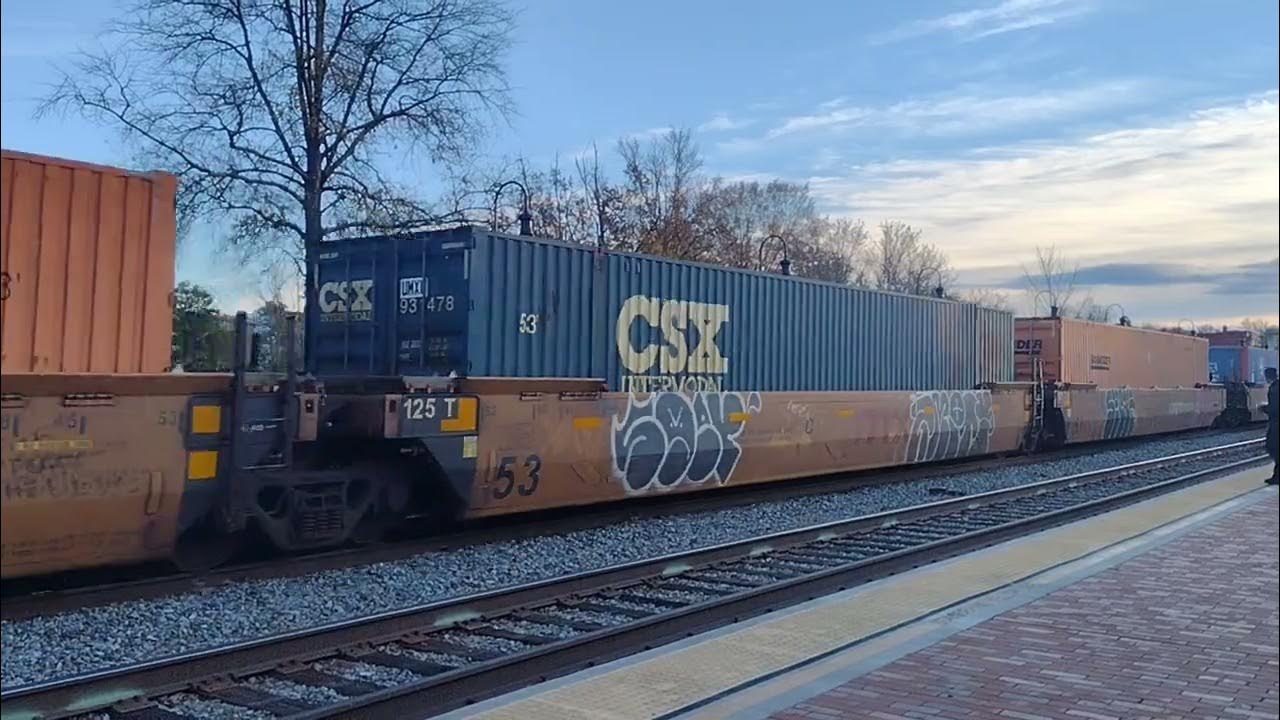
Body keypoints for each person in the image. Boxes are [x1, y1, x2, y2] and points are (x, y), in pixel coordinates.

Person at [1266, 367, 1278, 485]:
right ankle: (1276, 475)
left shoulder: (1274, 389)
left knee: (1272, 447)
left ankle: (1277, 476)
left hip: (1276, 423)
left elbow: (1275, 408)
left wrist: (1264, 409)